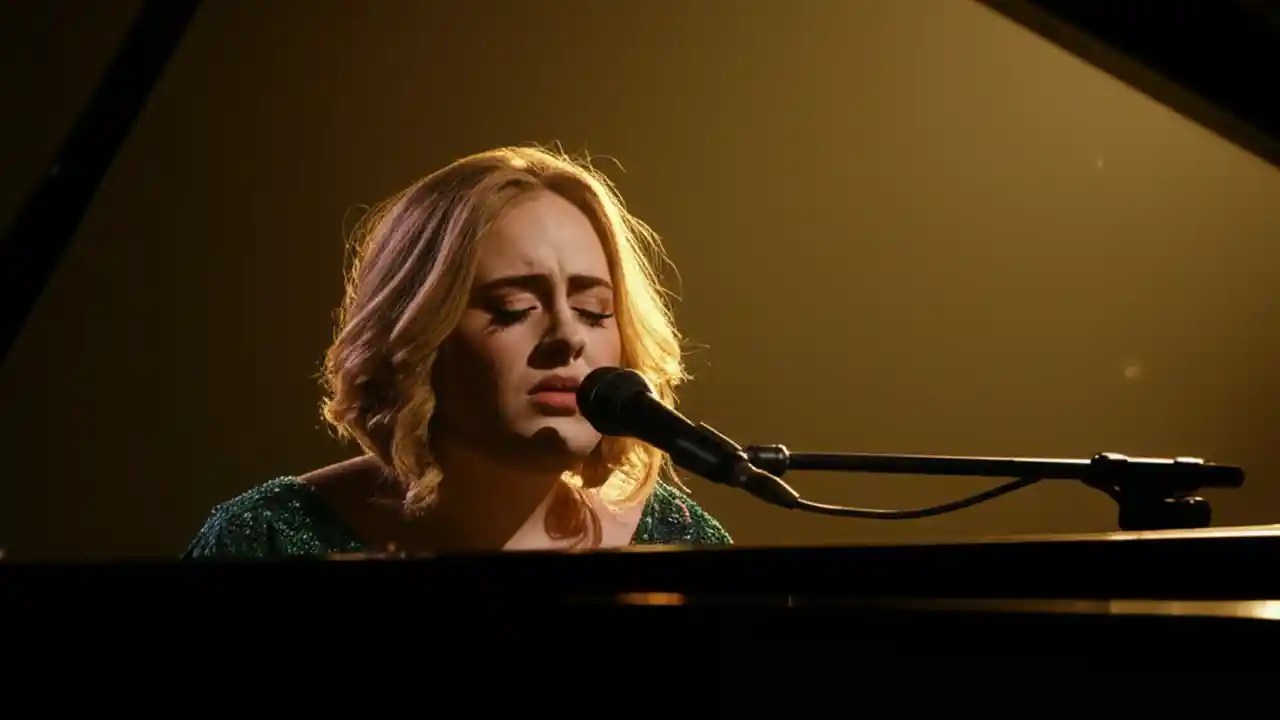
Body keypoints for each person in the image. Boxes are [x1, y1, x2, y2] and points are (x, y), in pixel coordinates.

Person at [183, 145, 732, 558]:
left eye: (593, 310)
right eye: (514, 308)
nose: (569, 337)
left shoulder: (679, 539)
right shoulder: (266, 540)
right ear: (418, 334)